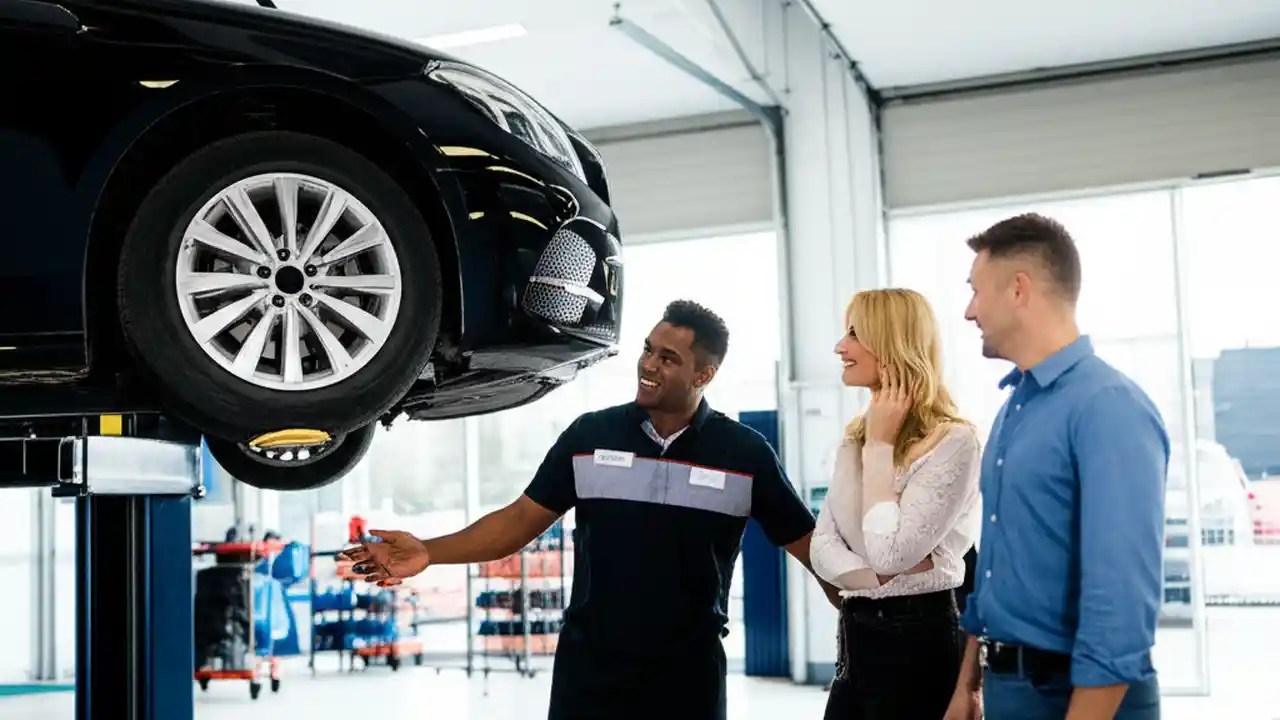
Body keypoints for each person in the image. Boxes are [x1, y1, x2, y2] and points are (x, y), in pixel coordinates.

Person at [341, 299, 839, 720]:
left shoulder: (745, 455)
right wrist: (428, 551)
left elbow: (811, 546)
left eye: (668, 358)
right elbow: (517, 522)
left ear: (704, 374)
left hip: (687, 676)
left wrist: (872, 609)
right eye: (647, 348)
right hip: (591, 670)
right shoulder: (589, 437)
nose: (648, 364)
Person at [945, 213, 1169, 720]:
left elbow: (1121, 605)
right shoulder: (1015, 409)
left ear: (1019, 290)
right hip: (1012, 688)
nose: (968, 312)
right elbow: (999, 567)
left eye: (976, 292)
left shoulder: (1108, 407)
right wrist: (969, 684)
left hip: (1081, 697)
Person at [810, 288, 982, 719]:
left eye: (854, 332)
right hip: (856, 637)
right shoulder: (856, 437)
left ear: (892, 344)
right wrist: (881, 575)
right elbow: (822, 547)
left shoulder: (954, 441)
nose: (839, 346)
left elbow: (889, 552)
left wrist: (882, 446)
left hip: (918, 639)